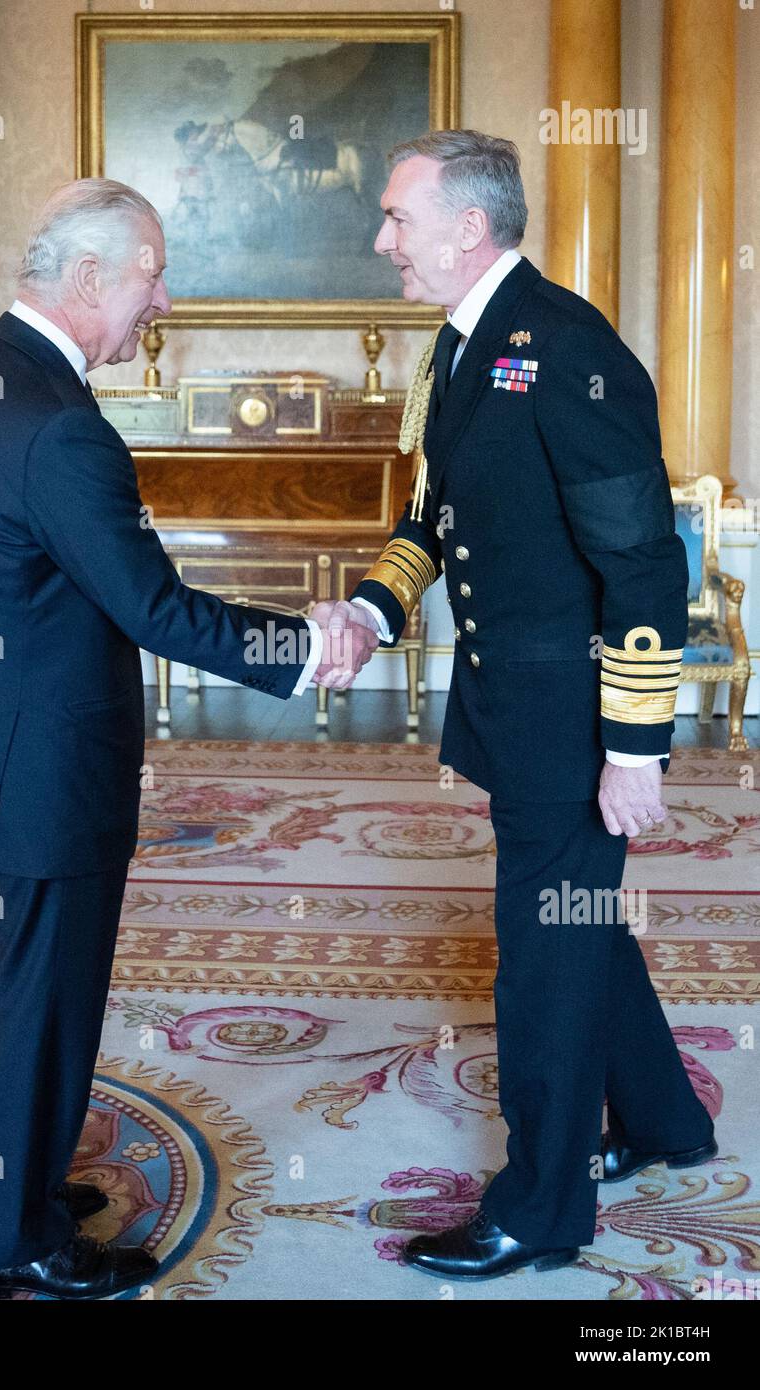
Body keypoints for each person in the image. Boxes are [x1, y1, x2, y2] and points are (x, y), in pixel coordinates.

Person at [0, 178, 377, 1300]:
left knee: (15, 975)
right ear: (88, 279)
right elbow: (153, 607)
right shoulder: (60, 423)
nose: (163, 297)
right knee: (45, 996)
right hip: (48, 769)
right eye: (151, 272)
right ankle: (14, 1247)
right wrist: (305, 649)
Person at [322, 130, 716, 1282]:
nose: (382, 238)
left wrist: (634, 747)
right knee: (574, 918)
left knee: (540, 956)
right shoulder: (462, 349)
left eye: (397, 218)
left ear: (467, 228)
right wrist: (369, 612)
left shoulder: (568, 352)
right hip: (510, 706)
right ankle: (663, 1121)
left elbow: (645, 566)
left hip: (573, 723)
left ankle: (540, 1210)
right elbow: (432, 522)